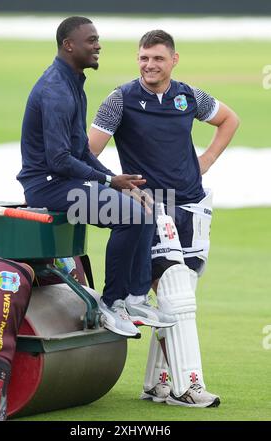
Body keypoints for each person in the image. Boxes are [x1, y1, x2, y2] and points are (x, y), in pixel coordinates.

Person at [89, 30, 239, 407]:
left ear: (173, 60)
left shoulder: (188, 96)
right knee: (177, 297)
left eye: (157, 58)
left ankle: (157, 382)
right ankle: (187, 387)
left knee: (178, 296)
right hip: (153, 209)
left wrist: (203, 163)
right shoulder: (119, 99)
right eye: (143, 58)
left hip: (193, 208)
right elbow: (86, 153)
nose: (149, 65)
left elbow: (229, 120)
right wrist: (118, 187)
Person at [17, 17, 174, 339]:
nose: (98, 45)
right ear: (68, 45)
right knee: (129, 216)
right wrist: (106, 182)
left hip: (62, 180)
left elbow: (81, 150)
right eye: (91, 40)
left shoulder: (73, 81)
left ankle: (135, 298)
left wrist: (114, 178)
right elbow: (59, 160)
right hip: (46, 187)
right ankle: (112, 302)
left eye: (97, 39)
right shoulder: (56, 90)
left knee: (143, 205)